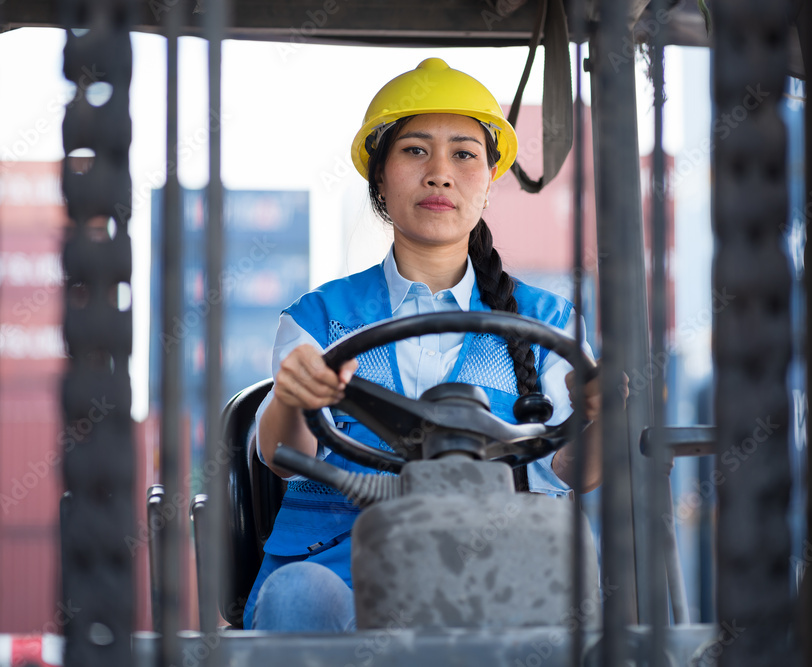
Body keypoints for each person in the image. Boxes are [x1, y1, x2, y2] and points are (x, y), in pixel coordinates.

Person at [244, 57, 603, 632]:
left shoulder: (551, 323)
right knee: (298, 596)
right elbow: (283, 458)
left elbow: (570, 472)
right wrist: (290, 397)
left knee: (570, 593)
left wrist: (604, 419)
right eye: (415, 151)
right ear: (380, 176)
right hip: (340, 572)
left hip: (500, 574)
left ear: (488, 180)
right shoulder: (318, 320)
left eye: (464, 154)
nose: (440, 173)